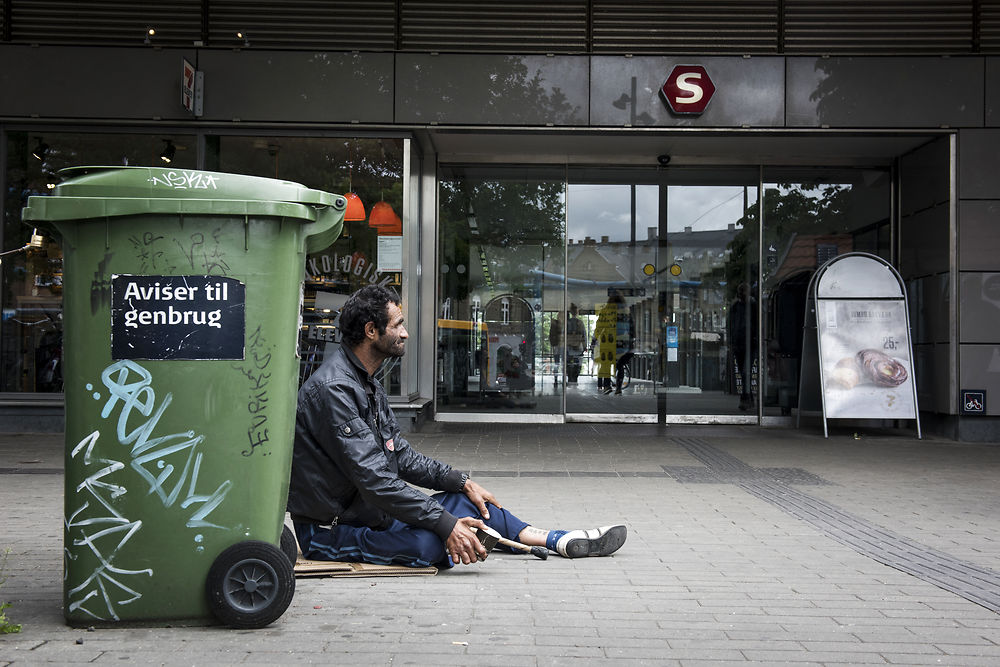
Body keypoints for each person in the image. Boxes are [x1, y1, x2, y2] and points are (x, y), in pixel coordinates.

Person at [288, 285, 627, 568]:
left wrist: (461, 481)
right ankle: (477, 540)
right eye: (398, 325)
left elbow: (401, 457)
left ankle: (554, 539)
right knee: (429, 545)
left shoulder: (366, 382)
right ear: (371, 331)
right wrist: (444, 524)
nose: (405, 333)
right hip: (332, 530)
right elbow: (375, 480)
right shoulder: (334, 389)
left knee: (470, 502)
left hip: (375, 515)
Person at [593, 290, 635, 395]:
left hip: (608, 341)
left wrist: (596, 338)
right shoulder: (626, 310)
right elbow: (632, 327)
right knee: (619, 365)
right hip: (622, 341)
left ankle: (607, 386)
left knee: (606, 364)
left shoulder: (605, 310)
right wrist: (632, 338)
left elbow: (599, 326)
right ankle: (619, 388)